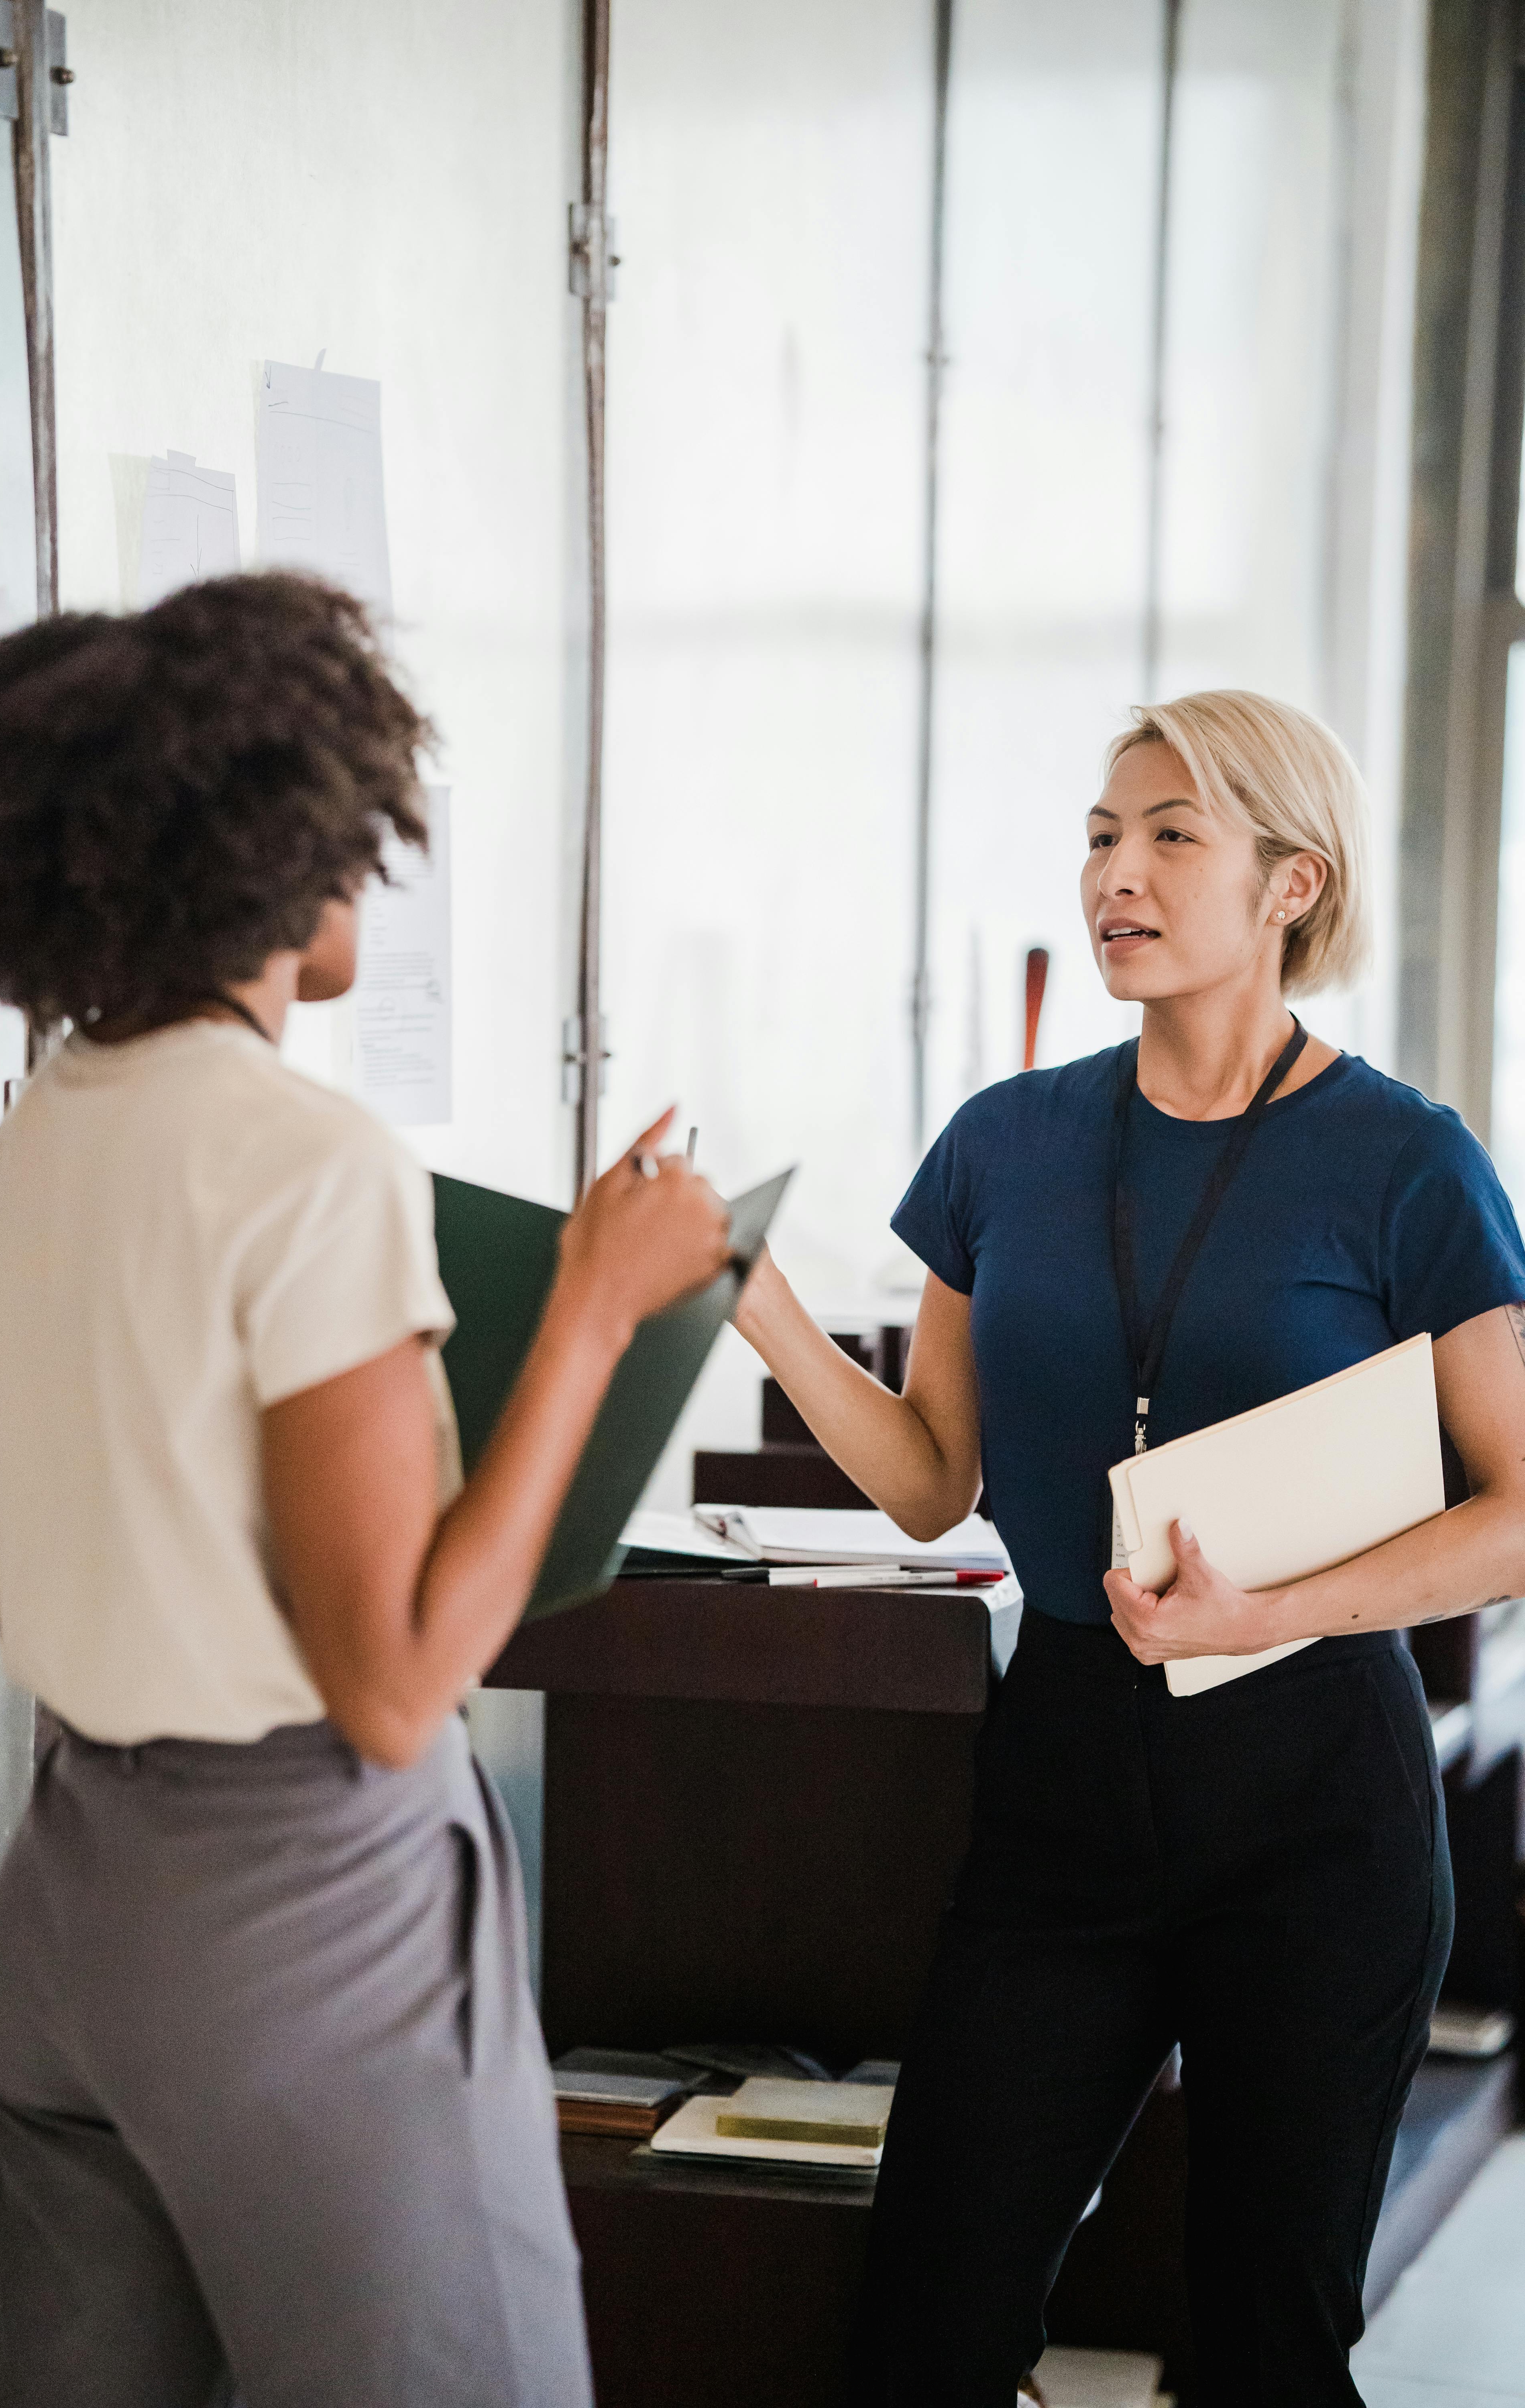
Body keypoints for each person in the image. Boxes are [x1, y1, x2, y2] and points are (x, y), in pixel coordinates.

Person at [0, 571, 731, 2408]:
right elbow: (394, 1682)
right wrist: (594, 1308)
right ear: (278, 846)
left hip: (69, 1917)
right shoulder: (307, 1161)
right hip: (299, 1921)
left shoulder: (44, 1131)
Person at [736, 689, 1525, 2408]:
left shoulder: (1408, 1162)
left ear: (1292, 884)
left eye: (1173, 836)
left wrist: (1275, 1608)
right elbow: (933, 1481)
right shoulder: (1003, 1143)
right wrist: (761, 1307)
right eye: (1102, 836)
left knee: (1261, 2354)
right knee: (929, 2323)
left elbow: (1518, 1511)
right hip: (1065, 1779)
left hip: (1315, 1795)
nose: (1118, 875)